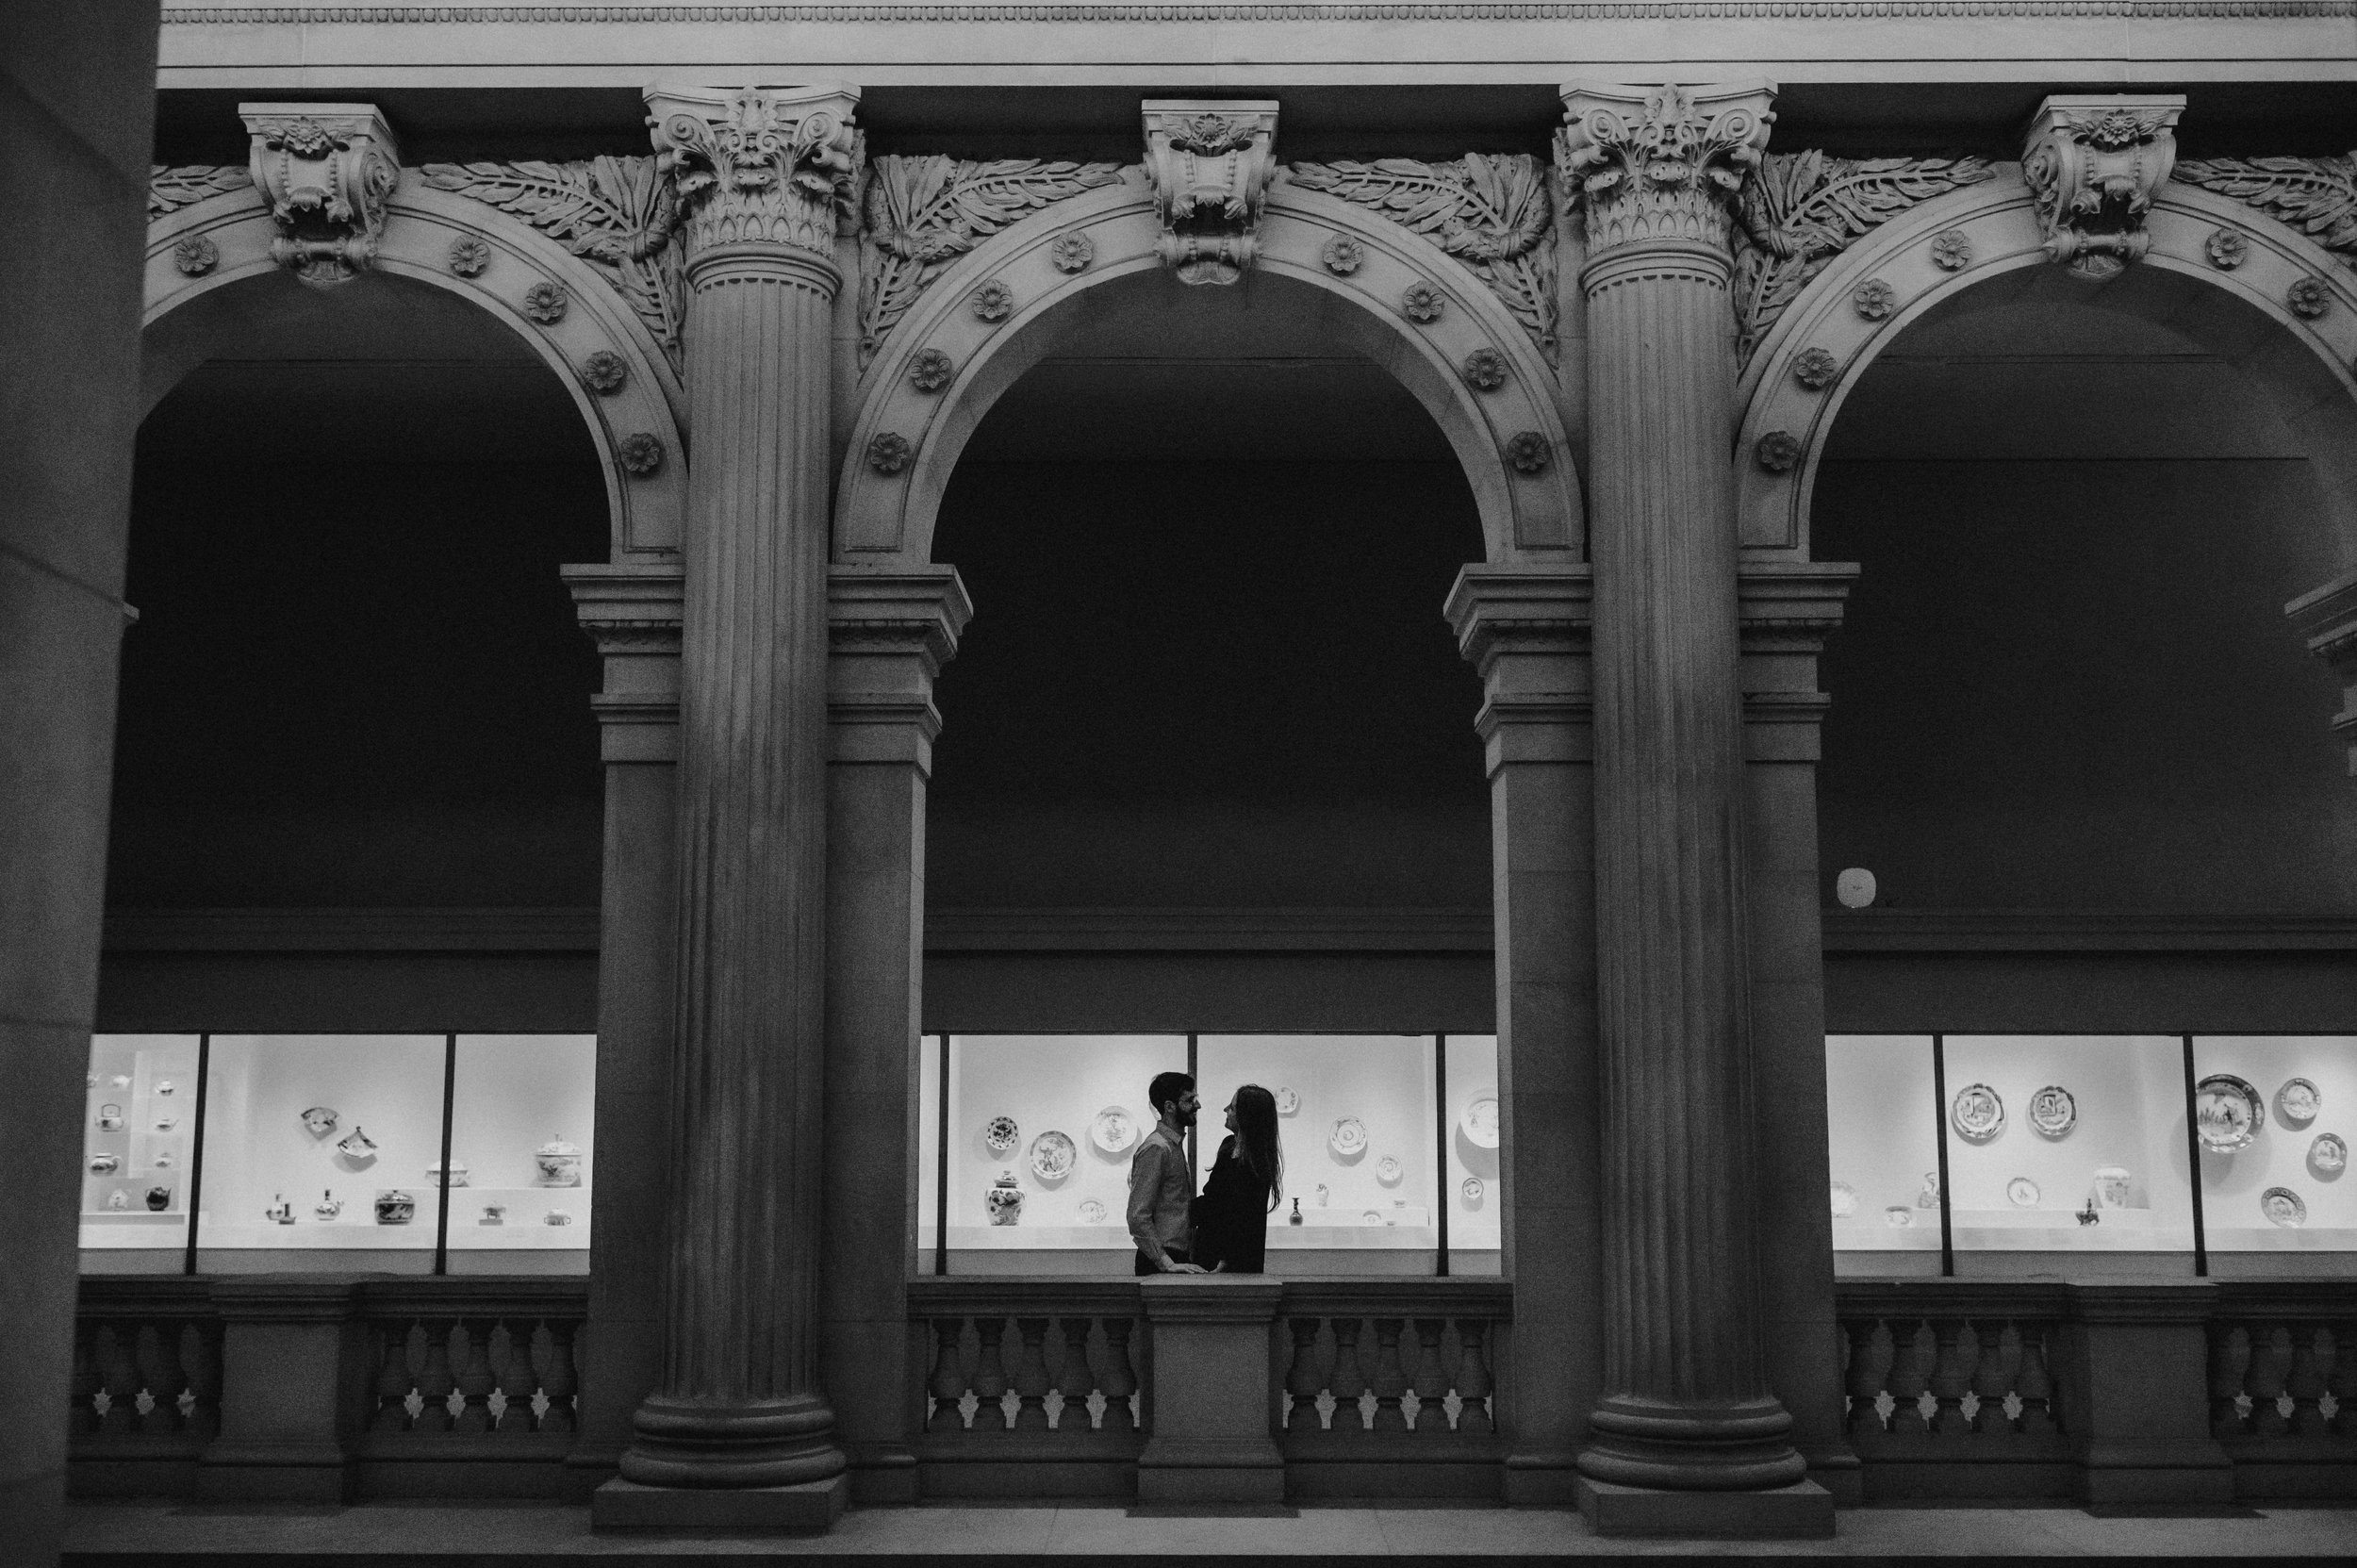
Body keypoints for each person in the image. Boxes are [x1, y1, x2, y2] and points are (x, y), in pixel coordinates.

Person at [1191, 1083, 1282, 1274]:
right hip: (1219, 1256)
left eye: (1232, 1107)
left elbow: (1239, 1217)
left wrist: (1226, 1260)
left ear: (1245, 1116)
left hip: (1227, 1262)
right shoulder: (1234, 1148)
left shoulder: (1253, 1162)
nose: (1226, 1110)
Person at [1127, 1070, 1205, 1275]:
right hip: (1162, 1260)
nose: (1197, 1105)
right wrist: (1166, 1263)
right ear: (1169, 1106)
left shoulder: (1171, 1145)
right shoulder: (1157, 1148)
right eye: (1190, 1100)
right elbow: (1137, 1216)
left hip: (1172, 1256)